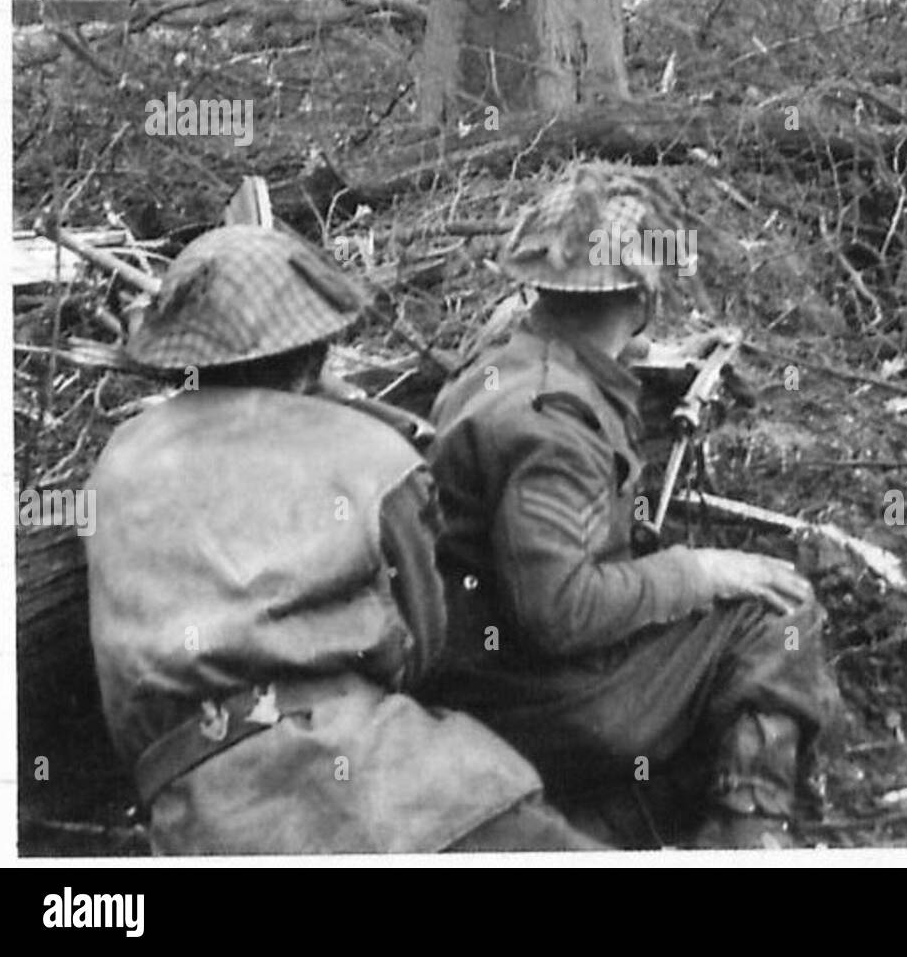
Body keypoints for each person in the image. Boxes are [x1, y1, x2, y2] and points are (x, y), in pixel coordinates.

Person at [85, 224, 598, 854]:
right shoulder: (374, 456)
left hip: (195, 812)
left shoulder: (119, 456)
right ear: (315, 357)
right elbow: (418, 649)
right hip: (369, 784)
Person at [425, 165, 841, 849]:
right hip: (534, 702)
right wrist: (699, 571)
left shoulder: (501, 355)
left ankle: (600, 822)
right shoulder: (554, 427)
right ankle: (749, 834)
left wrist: (660, 357)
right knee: (776, 614)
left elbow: (578, 360)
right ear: (642, 293)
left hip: (474, 676)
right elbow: (562, 613)